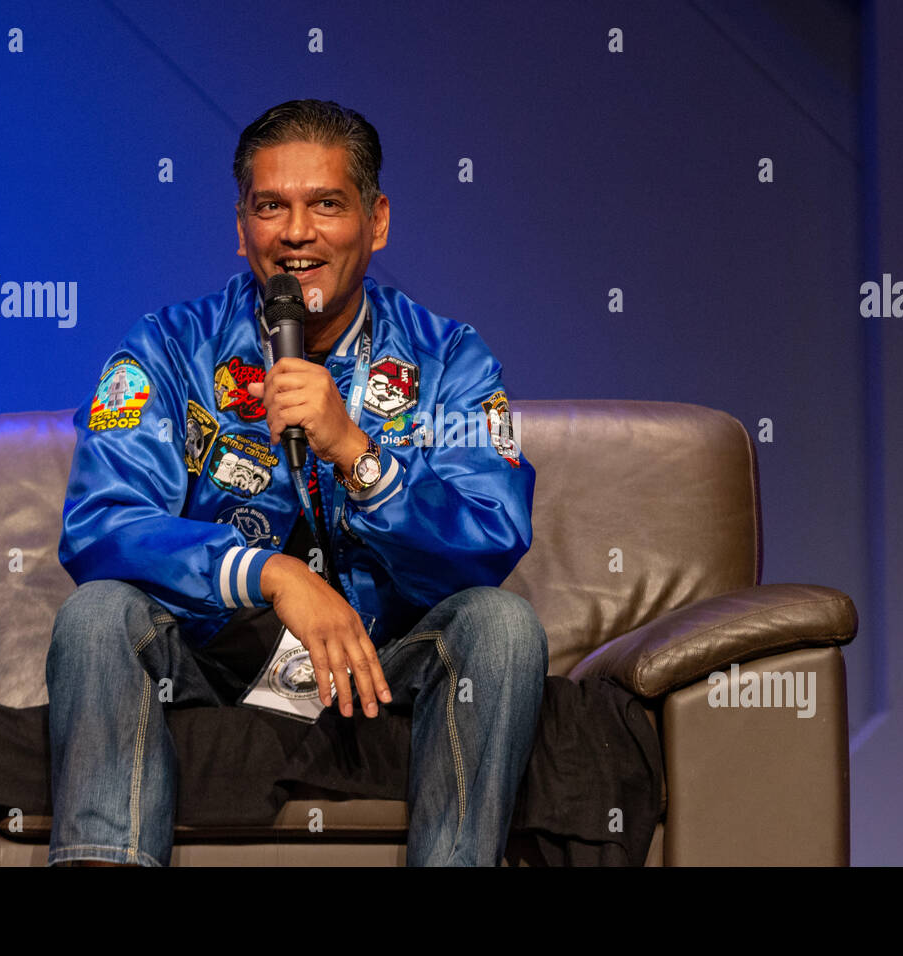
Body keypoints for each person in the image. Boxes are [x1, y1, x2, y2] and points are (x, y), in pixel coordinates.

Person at [45, 99, 548, 867]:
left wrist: (357, 452)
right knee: (95, 615)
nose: (297, 233)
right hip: (215, 660)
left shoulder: (453, 361)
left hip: (384, 669)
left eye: (326, 205)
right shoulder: (167, 348)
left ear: (376, 221)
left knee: (503, 625)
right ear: (241, 225)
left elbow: (492, 534)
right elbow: (101, 522)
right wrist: (267, 573)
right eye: (271, 206)